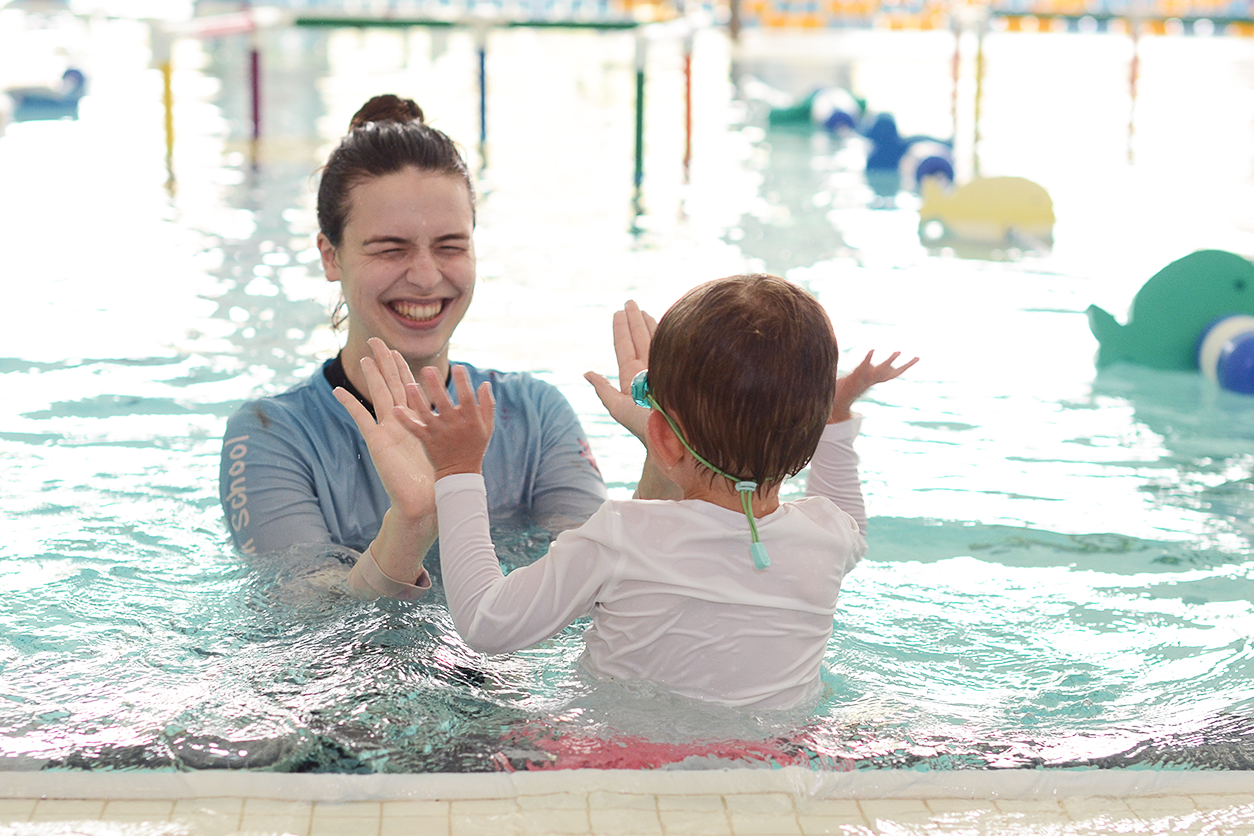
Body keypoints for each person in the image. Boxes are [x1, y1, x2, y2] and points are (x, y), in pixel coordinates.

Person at [343, 273, 917, 709]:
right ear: (809, 434)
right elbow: (850, 518)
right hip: (777, 762)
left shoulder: (620, 533)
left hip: (618, 764)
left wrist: (459, 471)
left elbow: (487, 624)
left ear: (661, 436)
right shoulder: (826, 537)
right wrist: (837, 420)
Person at [217, 94, 607, 598]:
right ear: (331, 257)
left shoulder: (532, 415)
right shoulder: (272, 436)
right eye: (390, 249)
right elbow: (306, 622)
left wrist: (669, 471)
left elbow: (599, 589)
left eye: (450, 246)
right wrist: (413, 522)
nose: (426, 278)